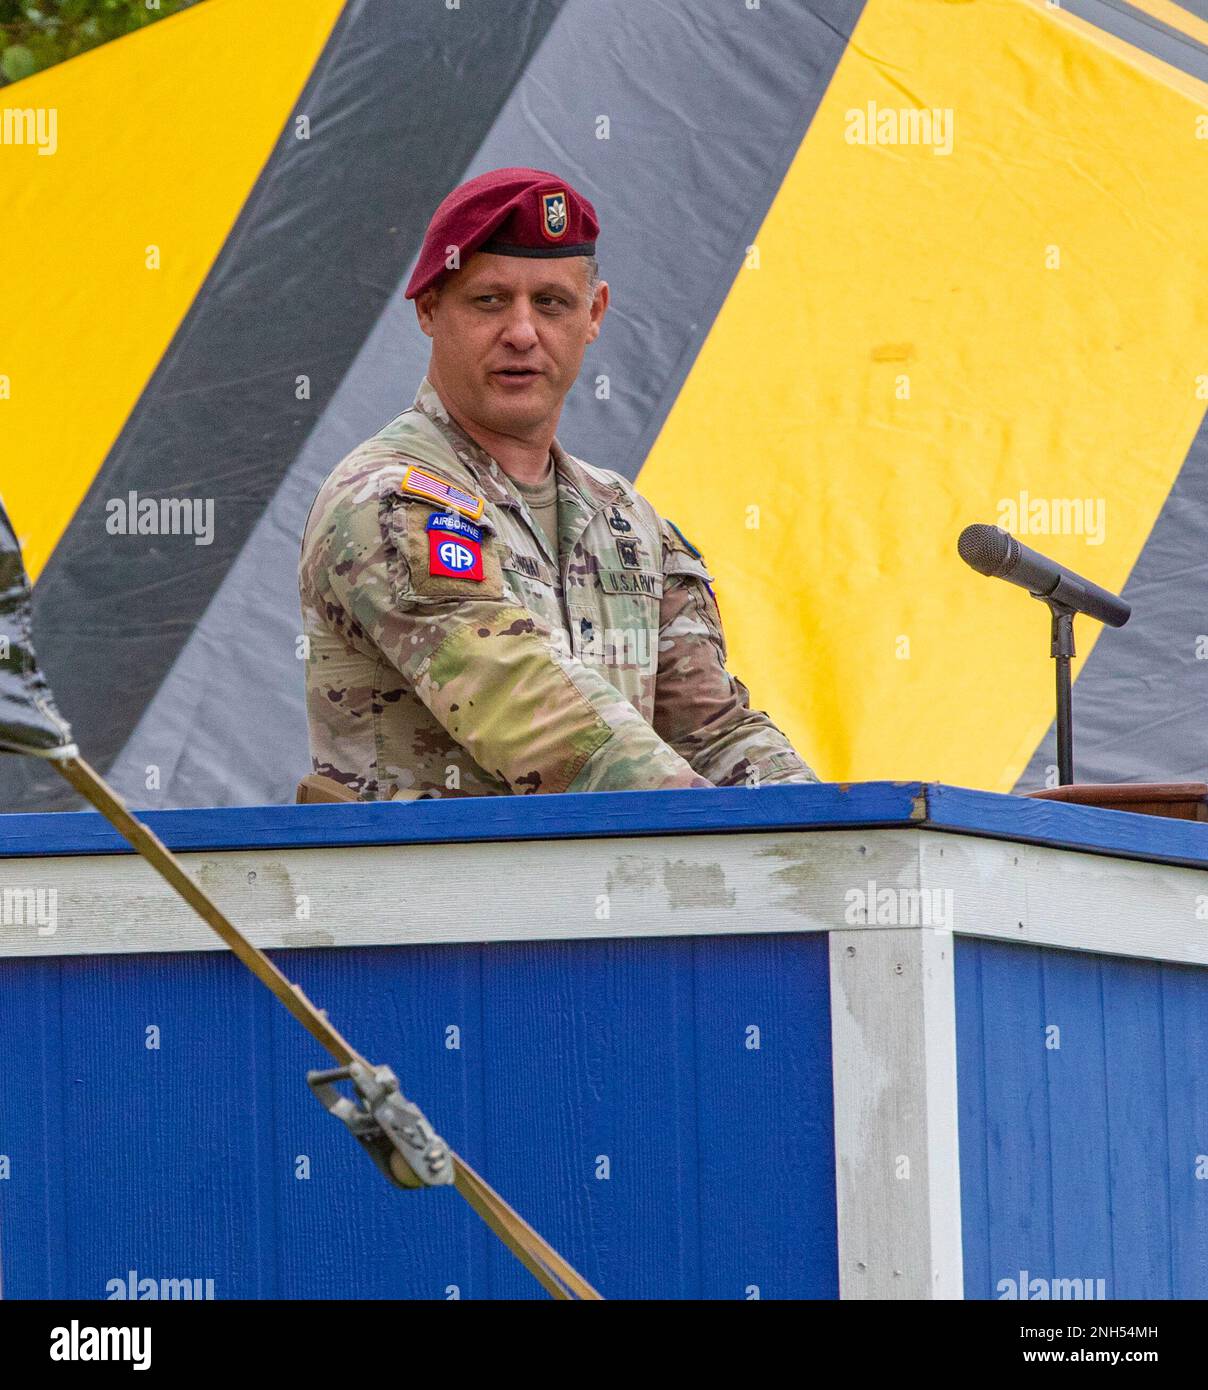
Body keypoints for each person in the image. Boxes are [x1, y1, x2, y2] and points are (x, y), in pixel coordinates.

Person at [298, 166, 816, 799]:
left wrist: (823, 830)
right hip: (438, 891)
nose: (522, 332)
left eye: (551, 303)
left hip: (614, 886)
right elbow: (528, 707)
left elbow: (712, 732)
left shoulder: (628, 520)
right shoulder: (390, 498)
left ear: (593, 314)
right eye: (489, 300)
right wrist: (732, 839)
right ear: (430, 307)